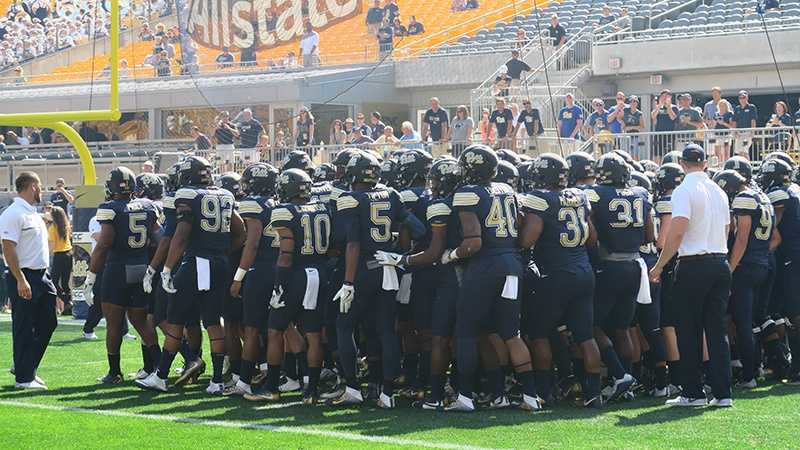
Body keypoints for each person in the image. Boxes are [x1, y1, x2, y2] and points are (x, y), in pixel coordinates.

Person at [443, 145, 544, 412]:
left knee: (466, 330)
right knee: (511, 333)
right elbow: (521, 223)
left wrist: (452, 254)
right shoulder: (507, 189)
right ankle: (529, 396)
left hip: (486, 265)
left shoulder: (467, 194)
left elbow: (473, 242)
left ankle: (465, 397)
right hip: (512, 264)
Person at [137, 156, 245, 394]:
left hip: (195, 262)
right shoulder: (225, 195)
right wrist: (221, 252)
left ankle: (161, 376)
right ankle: (217, 381)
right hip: (219, 264)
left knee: (175, 321)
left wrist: (167, 268)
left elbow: (181, 234)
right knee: (214, 322)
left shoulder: (187, 195)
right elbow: (241, 232)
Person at [329, 151, 423, 408]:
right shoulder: (392, 194)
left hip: (361, 268)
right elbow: (417, 228)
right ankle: (387, 393)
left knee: (344, 325)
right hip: (387, 268)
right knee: (386, 330)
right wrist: (400, 254)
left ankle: (352, 387)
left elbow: (352, 244)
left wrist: (348, 283)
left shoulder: (350, 199)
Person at [649, 144, 733, 408]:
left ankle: (693, 393)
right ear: (705, 163)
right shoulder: (718, 189)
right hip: (720, 260)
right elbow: (728, 227)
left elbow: (677, 232)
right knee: (717, 331)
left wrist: (660, 265)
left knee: (689, 330)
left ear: (683, 164)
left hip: (694, 262)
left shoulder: (685, 189)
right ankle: (723, 392)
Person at [246, 169, 331, 404]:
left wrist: (278, 287)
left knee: (275, 330)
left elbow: (285, 255)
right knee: (313, 334)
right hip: (319, 274)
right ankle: (311, 390)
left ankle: (272, 387)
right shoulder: (321, 208)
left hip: (295, 275)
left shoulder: (285, 211)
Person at [83, 167, 161, 384]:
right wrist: (152, 266)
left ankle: (115, 372)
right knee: (140, 321)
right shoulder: (148, 206)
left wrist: (91, 277)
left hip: (117, 270)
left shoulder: (110, 208)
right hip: (142, 269)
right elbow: (160, 238)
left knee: (114, 324)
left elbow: (104, 244)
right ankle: (158, 366)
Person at [713, 170, 775, 389]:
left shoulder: (744, 198)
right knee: (752, 320)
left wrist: (729, 268)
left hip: (746, 266)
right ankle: (756, 367)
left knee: (743, 323)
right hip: (763, 263)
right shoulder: (762, 196)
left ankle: (749, 375)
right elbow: (774, 237)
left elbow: (741, 239)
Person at [0, 172, 57, 389]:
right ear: (32, 186)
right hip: (24, 274)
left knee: (49, 321)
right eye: (39, 185)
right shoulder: (13, 213)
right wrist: (20, 279)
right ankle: (24, 378)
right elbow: (8, 247)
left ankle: (25, 365)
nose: (42, 189)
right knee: (24, 326)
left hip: (42, 275)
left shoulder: (31, 213)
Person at [47, 206, 73, 316]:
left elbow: (52, 245)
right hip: (69, 254)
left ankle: (67, 301)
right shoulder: (65, 225)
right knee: (65, 283)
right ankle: (68, 305)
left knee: (53, 281)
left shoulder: (53, 227)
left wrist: (46, 254)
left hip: (59, 255)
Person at [651, 89, 679, 157]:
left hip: (669, 135)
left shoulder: (674, 107)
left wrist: (668, 106)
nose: (664, 98)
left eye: (666, 96)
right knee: (657, 154)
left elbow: (673, 117)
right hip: (659, 134)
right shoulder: (658, 107)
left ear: (670, 97)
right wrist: (659, 105)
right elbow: (653, 116)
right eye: (663, 96)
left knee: (669, 154)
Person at [733, 91, 758, 157]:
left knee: (744, 151)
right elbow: (735, 121)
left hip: (747, 133)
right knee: (739, 152)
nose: (742, 99)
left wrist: (752, 132)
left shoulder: (751, 107)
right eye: (740, 98)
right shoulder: (737, 108)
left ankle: (747, 166)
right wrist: (735, 132)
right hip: (739, 133)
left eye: (744, 97)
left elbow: (753, 120)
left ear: (747, 98)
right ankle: (741, 166)